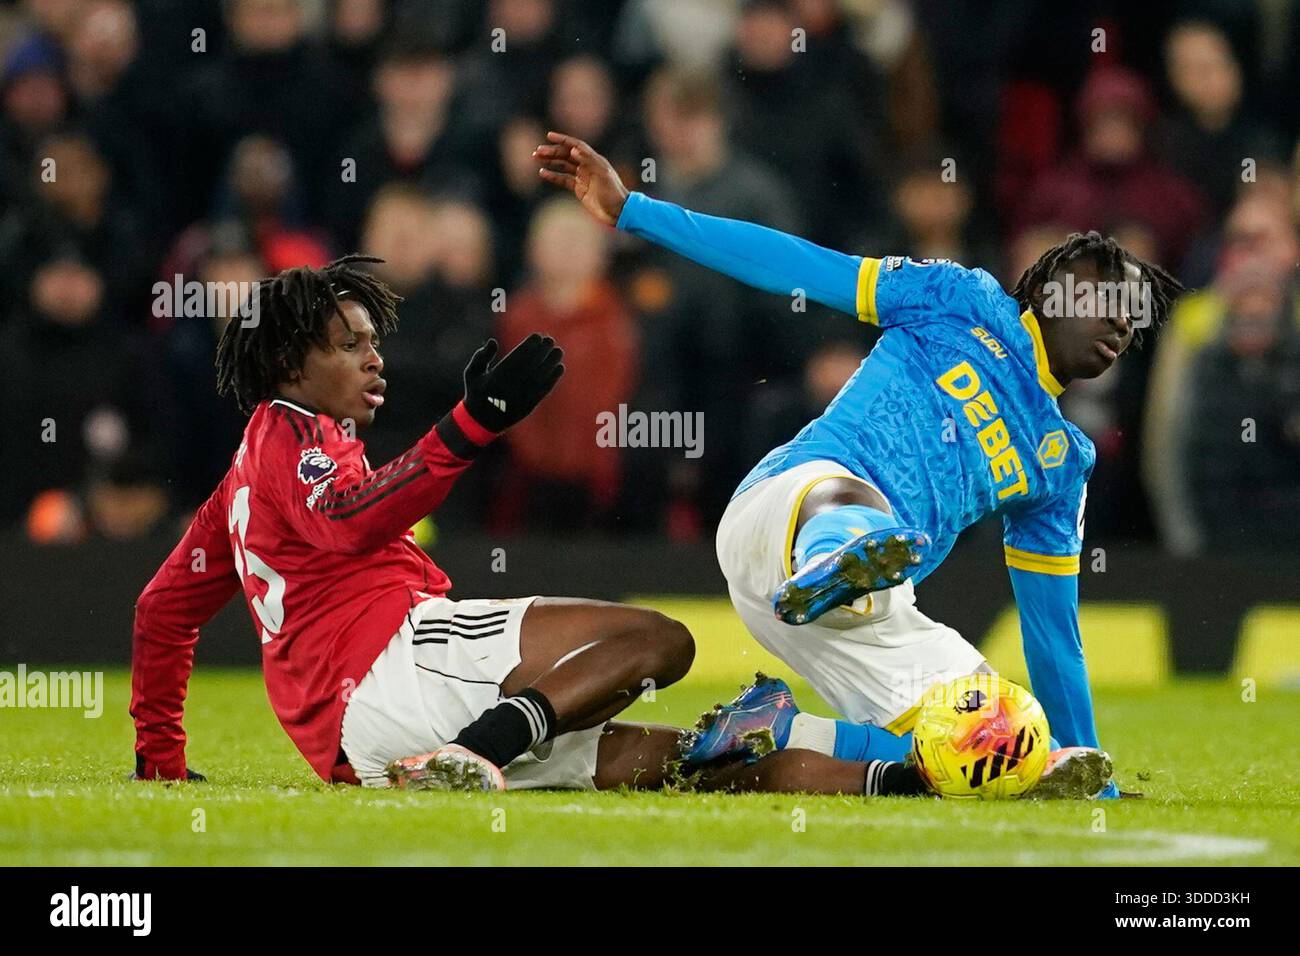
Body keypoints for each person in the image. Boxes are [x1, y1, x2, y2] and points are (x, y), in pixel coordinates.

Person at [127, 255, 937, 798]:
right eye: (349, 344)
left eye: (375, 341)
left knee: (703, 759)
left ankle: (917, 775)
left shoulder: (243, 482)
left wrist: (160, 761)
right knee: (662, 642)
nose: (375, 359)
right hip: (393, 664)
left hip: (362, 749)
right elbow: (349, 524)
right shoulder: (290, 434)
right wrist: (470, 425)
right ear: (288, 367)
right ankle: (484, 744)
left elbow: (162, 611)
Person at [534, 132, 1185, 798]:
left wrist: (1084, 767)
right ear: (1048, 287)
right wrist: (634, 212)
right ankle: (839, 552)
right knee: (847, 496)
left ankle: (774, 733)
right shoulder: (958, 298)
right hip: (782, 514)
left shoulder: (1062, 463)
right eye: (1106, 296)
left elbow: (1054, 631)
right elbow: (795, 262)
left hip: (869, 608)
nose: (1120, 323)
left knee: (988, 744)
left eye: (1132, 318)